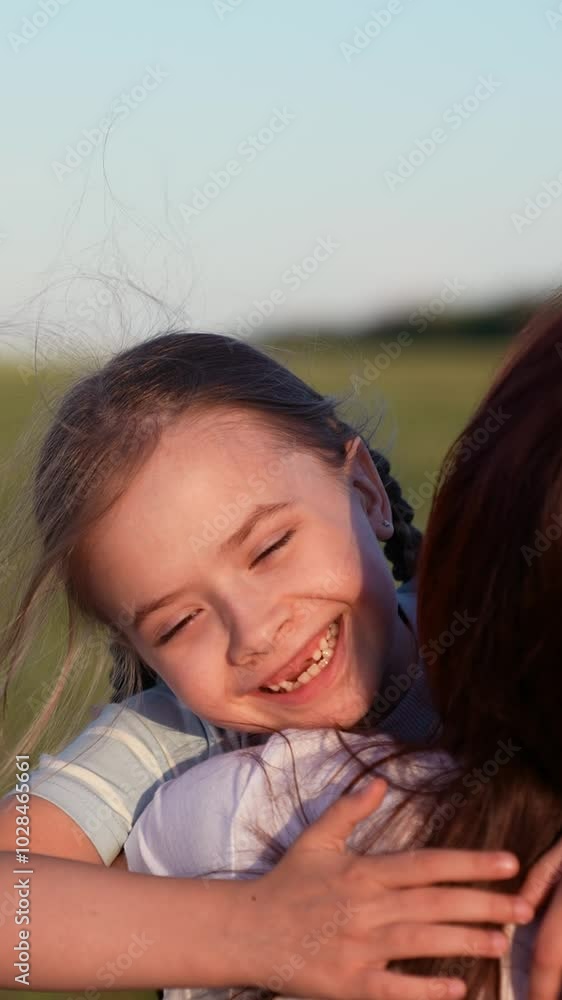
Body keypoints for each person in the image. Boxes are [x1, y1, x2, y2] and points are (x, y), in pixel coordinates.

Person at [0, 329, 541, 999]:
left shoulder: (489, 627)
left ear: (366, 492)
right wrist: (259, 932)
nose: (254, 631)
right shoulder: (168, 739)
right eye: (179, 624)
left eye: (269, 548)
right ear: (136, 649)